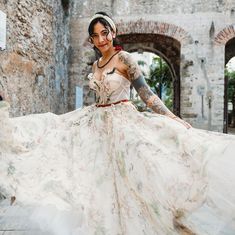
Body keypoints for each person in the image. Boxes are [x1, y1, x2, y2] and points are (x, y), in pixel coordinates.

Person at [0, 12, 235, 235]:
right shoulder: (96, 65)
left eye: (105, 33)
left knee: (134, 177)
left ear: (113, 32)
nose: (101, 39)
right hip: (97, 126)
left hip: (123, 125)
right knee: (67, 147)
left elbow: (146, 93)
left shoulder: (124, 58)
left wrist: (170, 116)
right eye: (95, 36)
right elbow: (98, 99)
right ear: (91, 39)